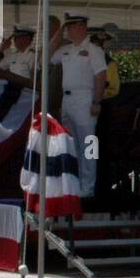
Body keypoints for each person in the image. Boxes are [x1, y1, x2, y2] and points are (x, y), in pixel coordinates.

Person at [49, 12, 107, 198]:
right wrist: (58, 33)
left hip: (85, 99)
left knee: (89, 145)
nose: (68, 31)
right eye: (67, 27)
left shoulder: (94, 50)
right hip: (67, 101)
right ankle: (74, 185)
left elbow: (101, 76)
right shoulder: (67, 50)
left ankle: (88, 187)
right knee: (71, 145)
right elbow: (47, 56)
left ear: (81, 27)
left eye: (70, 27)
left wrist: (97, 102)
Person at [91, 26, 121, 100]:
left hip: (102, 102)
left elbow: (114, 89)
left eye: (99, 44)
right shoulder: (83, 61)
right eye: (95, 43)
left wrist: (97, 95)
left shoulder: (110, 64)